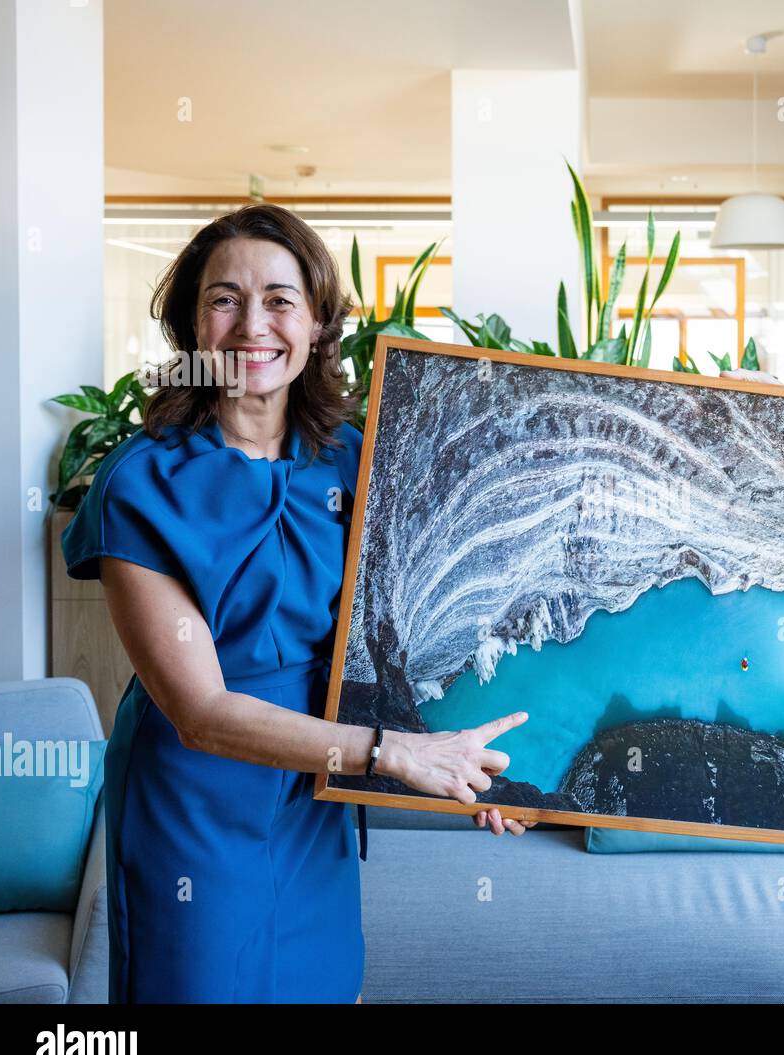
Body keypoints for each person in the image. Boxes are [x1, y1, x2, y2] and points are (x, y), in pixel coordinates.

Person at [61, 204, 533, 1005]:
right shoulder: (138, 484)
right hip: (193, 805)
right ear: (190, 325)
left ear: (317, 325)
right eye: (224, 299)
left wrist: (475, 769)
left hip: (318, 791)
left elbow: (396, 643)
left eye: (280, 299)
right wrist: (394, 754)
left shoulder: (357, 457)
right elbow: (202, 712)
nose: (253, 324)